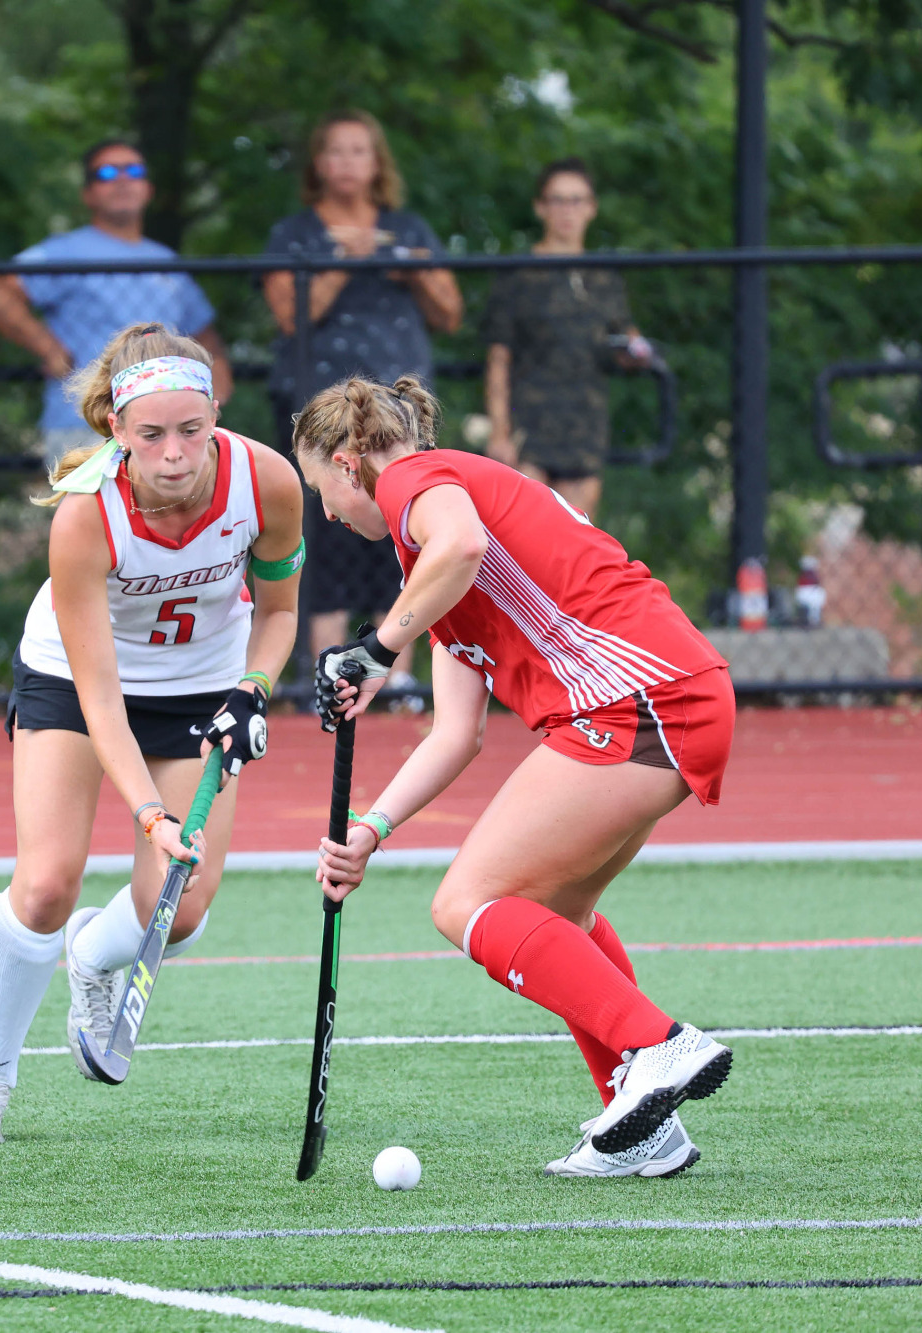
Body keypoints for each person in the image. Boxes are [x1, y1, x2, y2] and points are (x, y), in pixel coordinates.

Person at [295, 375, 734, 1178]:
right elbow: (455, 735)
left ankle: (659, 1044)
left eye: (321, 488)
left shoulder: (418, 483)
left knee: (465, 902)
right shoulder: (429, 563)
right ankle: (643, 1123)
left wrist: (377, 648)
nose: (325, 511)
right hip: (662, 697)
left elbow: (460, 547)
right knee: (556, 912)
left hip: (638, 696)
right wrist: (369, 832)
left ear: (348, 461)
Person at [0, 323, 304, 1145]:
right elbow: (101, 696)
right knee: (45, 882)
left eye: (192, 430)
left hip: (205, 686)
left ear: (217, 413)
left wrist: (254, 687)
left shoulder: (267, 481)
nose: (176, 453)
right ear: (116, 429)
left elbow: (278, 613)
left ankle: (94, 956)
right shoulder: (86, 517)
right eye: (152, 435)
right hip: (76, 682)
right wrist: (148, 813)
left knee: (182, 904)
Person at [263, 110, 462, 704]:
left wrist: (408, 265)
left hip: (396, 408)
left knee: (402, 523)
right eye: (335, 151)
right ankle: (324, 666)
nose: (348, 164)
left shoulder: (407, 228)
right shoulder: (295, 234)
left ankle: (392, 672)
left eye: (359, 151)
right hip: (319, 406)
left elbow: (451, 312)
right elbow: (289, 315)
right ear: (318, 164)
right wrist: (342, 258)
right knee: (325, 526)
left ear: (377, 163)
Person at [0, 139, 234, 468]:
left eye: (134, 170)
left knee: (168, 521)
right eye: (108, 172)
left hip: (169, 433)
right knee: (84, 520)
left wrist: (211, 403)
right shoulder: (65, 251)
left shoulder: (166, 260)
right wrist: (49, 349)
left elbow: (207, 338)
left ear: (148, 188)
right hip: (85, 425)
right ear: (88, 194)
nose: (123, 179)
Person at [482, 158, 654, 518]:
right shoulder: (518, 275)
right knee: (529, 536)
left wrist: (635, 352)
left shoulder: (604, 278)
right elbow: (498, 357)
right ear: (540, 206)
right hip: (529, 426)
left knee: (578, 539)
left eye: (576, 200)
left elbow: (623, 334)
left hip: (585, 425)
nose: (567, 210)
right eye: (558, 200)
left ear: (591, 208)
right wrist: (500, 432)